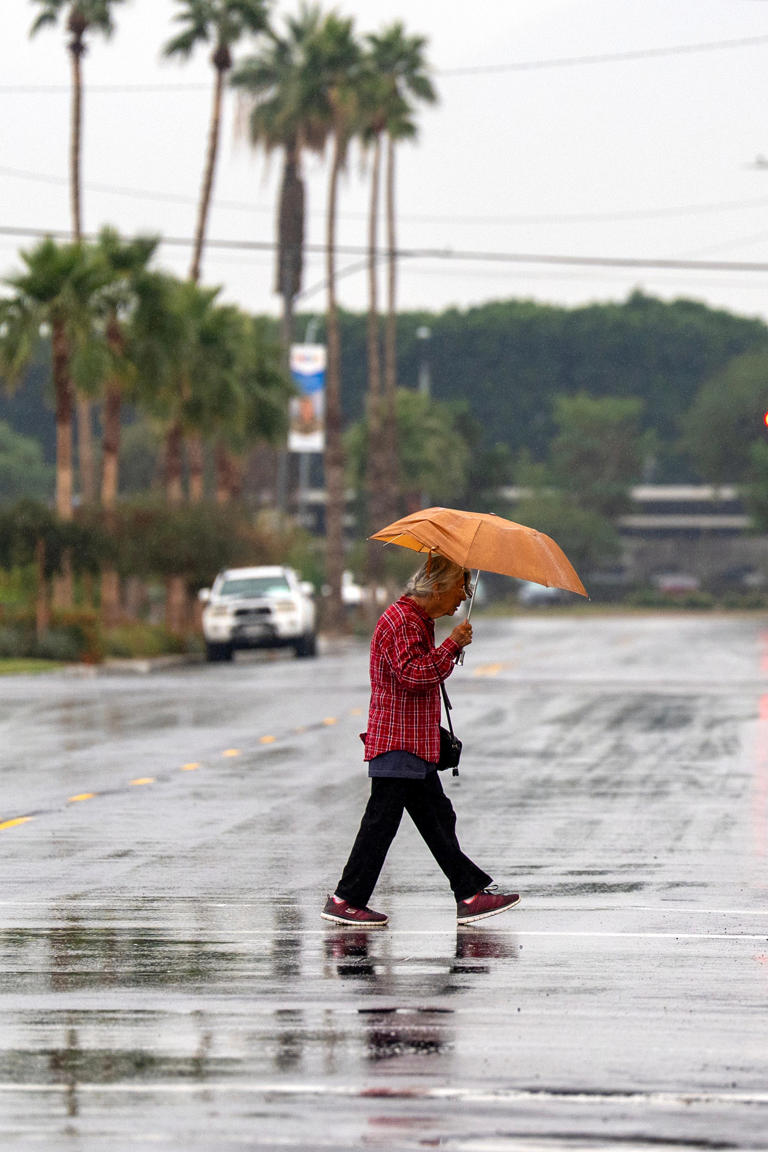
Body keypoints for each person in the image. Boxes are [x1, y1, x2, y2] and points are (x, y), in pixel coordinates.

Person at [321, 554, 520, 928]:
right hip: (399, 742)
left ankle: (469, 893)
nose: (462, 598)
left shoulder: (418, 621)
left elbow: (419, 671)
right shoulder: (403, 621)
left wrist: (447, 647)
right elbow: (413, 676)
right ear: (439, 585)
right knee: (381, 825)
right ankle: (346, 899)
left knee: (437, 819)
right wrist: (452, 645)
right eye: (461, 588)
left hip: (413, 743)